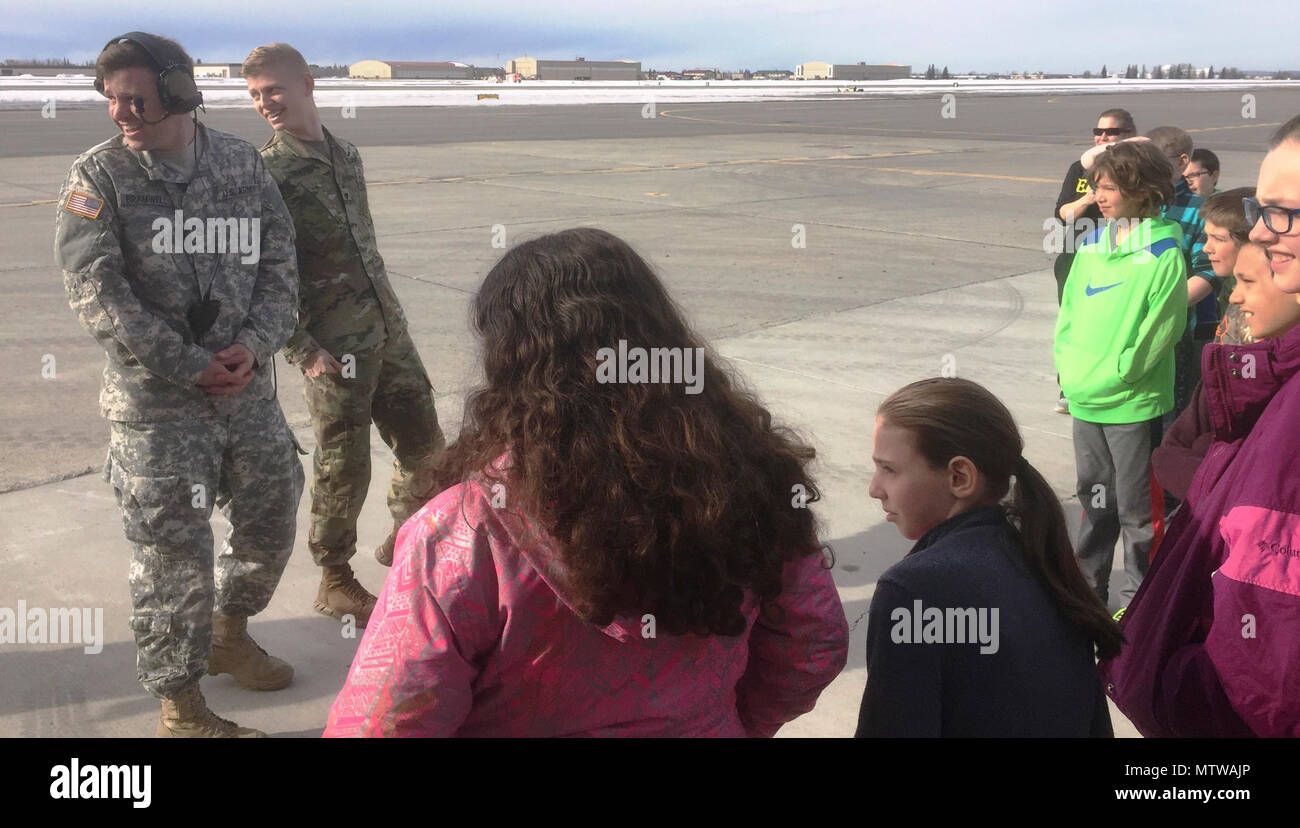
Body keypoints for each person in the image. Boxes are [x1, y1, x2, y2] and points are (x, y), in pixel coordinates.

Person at [322, 228, 849, 736]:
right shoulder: (752, 482)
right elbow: (812, 642)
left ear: (511, 363)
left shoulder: (465, 528)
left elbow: (389, 719)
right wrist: (733, 725)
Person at [56, 32, 303, 737]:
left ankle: (228, 630)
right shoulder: (97, 177)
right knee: (171, 551)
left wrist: (253, 347)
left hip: (246, 388)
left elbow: (281, 260)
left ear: (181, 92)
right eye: (111, 100)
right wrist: (189, 363)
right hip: (157, 406)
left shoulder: (238, 162)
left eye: (136, 98)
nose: (121, 113)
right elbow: (97, 295)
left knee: (272, 513)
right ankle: (180, 704)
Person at [1102, 118, 1300, 738]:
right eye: (1261, 209)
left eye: (1284, 211)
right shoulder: (1261, 376)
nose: (1263, 231)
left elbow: (1267, 660)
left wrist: (1176, 678)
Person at [243, 44, 446, 628]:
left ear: (306, 84)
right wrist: (301, 349)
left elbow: (365, 248)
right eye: (255, 96)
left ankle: (406, 541)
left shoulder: (346, 155)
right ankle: (334, 578)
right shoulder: (267, 173)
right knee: (344, 466)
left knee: (427, 449)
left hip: (387, 331)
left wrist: (392, 322)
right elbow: (260, 275)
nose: (265, 104)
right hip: (331, 351)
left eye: (274, 90)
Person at [855, 378, 1118, 737]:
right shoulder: (1041, 557)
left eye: (889, 469)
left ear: (960, 476)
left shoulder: (914, 590)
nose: (874, 489)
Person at [1055, 140, 1186, 610]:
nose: (1101, 196)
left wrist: (1122, 371)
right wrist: (1069, 370)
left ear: (1143, 190)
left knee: (1139, 513)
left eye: (1110, 187)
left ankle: (1139, 606)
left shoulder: (1162, 250)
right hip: (1086, 396)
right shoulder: (1091, 244)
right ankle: (1086, 596)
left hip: (1132, 402)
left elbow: (1162, 329)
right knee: (1095, 504)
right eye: (1098, 187)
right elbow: (1068, 313)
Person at [1152, 241, 1299, 501]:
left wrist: (1210, 468)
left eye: (1248, 282)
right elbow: (1167, 454)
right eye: (1235, 283)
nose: (1234, 297)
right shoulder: (1229, 368)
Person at [1052, 108, 1136, 414]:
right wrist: (1090, 195)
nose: (1102, 137)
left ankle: (1108, 384)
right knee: (1073, 324)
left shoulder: (1133, 171)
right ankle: (1068, 386)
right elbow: (1062, 214)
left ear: (1128, 134)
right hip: (1076, 256)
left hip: (1117, 256)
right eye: (1098, 131)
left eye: (1111, 132)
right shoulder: (1079, 168)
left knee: (1110, 322)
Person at [1147, 126, 1218, 422]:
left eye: (1154, 164)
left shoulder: (1198, 209)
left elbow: (1209, 272)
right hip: (1129, 326)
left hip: (1171, 332)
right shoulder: (1139, 205)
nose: (1146, 172)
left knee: (1168, 419)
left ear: (1182, 161)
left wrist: (1162, 310)